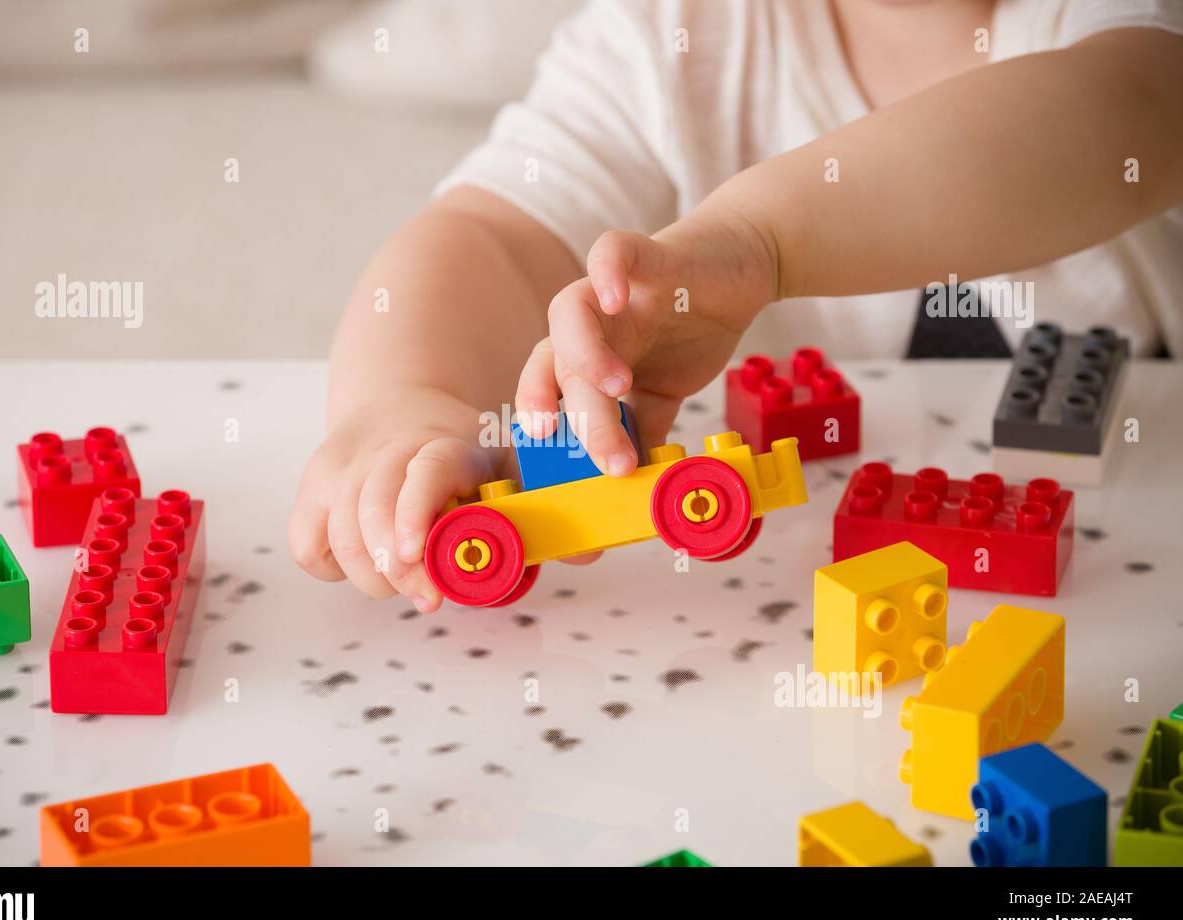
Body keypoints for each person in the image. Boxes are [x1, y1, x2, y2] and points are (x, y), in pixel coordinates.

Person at [289, 0, 1183, 612]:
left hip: (1123, 551)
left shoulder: (1120, 29)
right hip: (810, 580)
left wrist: (760, 243)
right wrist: (401, 399)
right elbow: (488, 234)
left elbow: (1133, 106)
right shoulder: (674, 35)